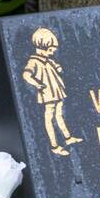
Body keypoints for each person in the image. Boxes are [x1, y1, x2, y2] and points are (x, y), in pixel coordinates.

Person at [21, 27, 82, 155]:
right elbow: (26, 75)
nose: (52, 52)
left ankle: (67, 137)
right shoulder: (34, 61)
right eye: (50, 50)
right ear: (41, 47)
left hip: (57, 91)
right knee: (49, 118)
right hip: (47, 93)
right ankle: (54, 145)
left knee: (59, 115)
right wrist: (37, 84)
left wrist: (58, 68)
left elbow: (56, 67)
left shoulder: (49, 60)